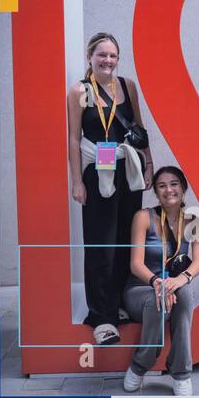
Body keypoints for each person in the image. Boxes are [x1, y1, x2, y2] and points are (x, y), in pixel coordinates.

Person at [66, 32, 152, 346]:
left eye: (113, 56)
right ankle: (101, 316)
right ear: (90, 57)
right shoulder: (80, 91)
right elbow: (74, 138)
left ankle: (117, 305)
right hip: (95, 173)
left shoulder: (127, 86)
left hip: (127, 171)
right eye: (102, 55)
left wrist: (149, 165)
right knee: (100, 245)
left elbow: (140, 129)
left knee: (126, 241)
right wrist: (76, 181)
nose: (108, 61)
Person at [123, 166, 199, 396]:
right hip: (142, 287)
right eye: (162, 186)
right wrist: (157, 283)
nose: (169, 189)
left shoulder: (194, 221)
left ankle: (181, 374)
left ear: (184, 188)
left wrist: (181, 279)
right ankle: (140, 366)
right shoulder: (143, 217)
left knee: (185, 296)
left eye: (174, 184)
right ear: (157, 193)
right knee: (157, 301)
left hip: (175, 284)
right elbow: (136, 264)